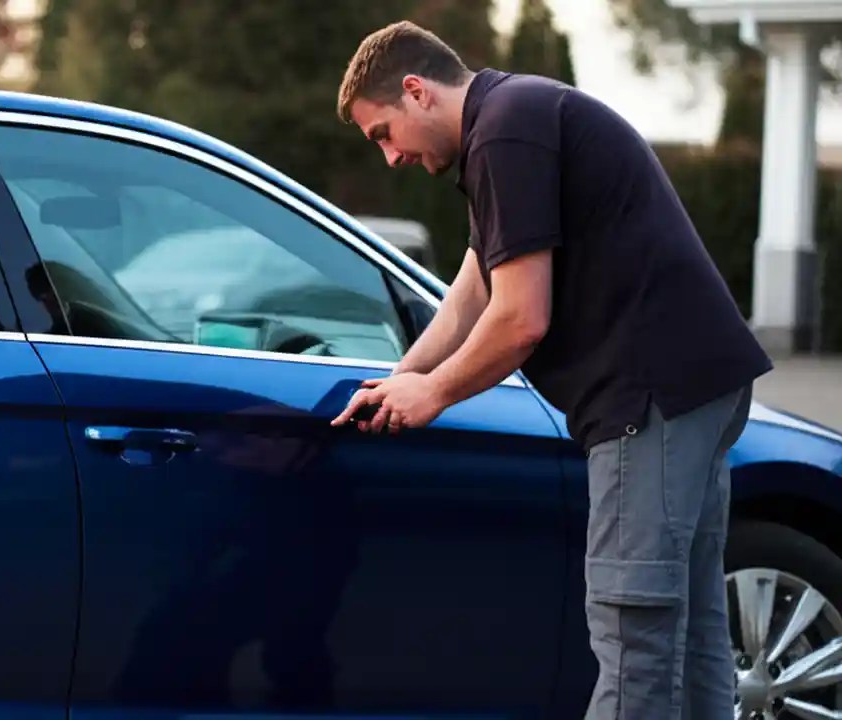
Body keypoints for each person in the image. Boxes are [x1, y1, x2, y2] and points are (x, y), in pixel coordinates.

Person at [329, 20, 773, 720]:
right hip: (694, 387)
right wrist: (401, 378)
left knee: (635, 633)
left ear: (415, 92)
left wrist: (435, 394)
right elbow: (474, 289)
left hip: (646, 397)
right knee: (685, 636)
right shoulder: (513, 119)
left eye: (383, 133)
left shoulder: (506, 133)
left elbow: (518, 319)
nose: (390, 158)